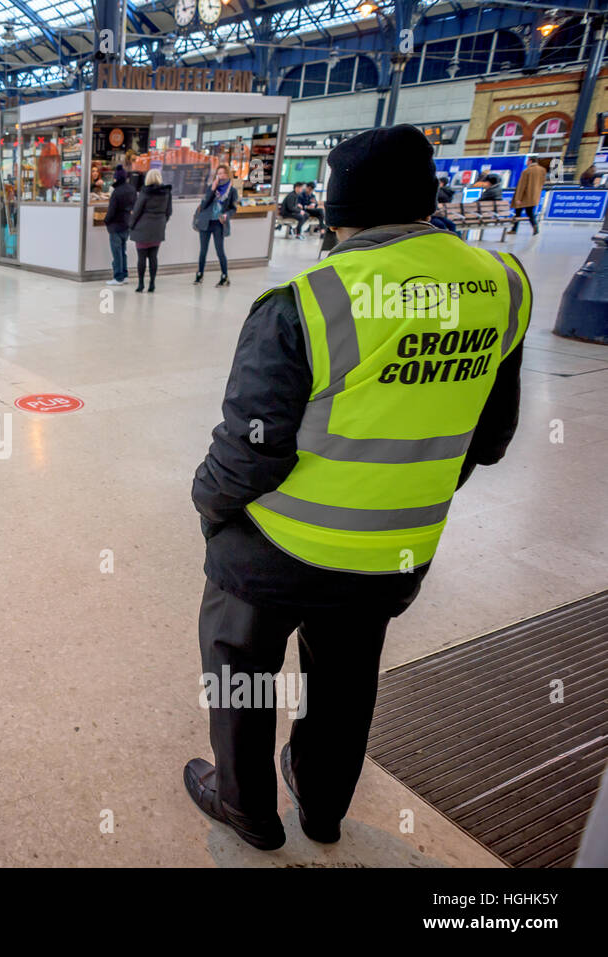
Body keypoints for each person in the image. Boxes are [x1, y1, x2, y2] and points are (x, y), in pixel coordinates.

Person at [185, 125, 530, 851]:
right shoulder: (502, 285)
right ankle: (320, 802)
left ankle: (245, 804)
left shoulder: (309, 300)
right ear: (426, 201)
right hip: (394, 553)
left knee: (240, 665)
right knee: (344, 678)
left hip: (274, 547)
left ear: (337, 215)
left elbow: (251, 450)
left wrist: (209, 507)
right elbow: (490, 438)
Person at [128, 169, 172, 293]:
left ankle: (141, 284)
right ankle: (152, 283)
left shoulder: (145, 192)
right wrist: (162, 222)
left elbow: (137, 211)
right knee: (153, 257)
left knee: (141, 257)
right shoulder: (167, 193)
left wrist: (131, 225)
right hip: (158, 227)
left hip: (142, 227)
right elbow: (169, 212)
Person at [194, 165, 238, 287]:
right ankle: (200, 274)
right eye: (219, 173)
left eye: (223, 173)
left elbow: (233, 209)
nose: (221, 176)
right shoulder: (211, 188)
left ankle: (225, 276)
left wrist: (226, 215)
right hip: (206, 222)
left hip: (219, 223)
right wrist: (212, 190)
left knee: (220, 251)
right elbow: (204, 205)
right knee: (203, 250)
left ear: (228, 175)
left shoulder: (232, 191)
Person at [102, 166, 136, 286]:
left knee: (116, 252)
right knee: (123, 251)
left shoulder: (116, 192)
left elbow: (111, 210)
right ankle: (125, 275)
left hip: (115, 225)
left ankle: (118, 277)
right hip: (126, 223)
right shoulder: (132, 189)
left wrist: (106, 221)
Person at [510, 157, 545, 235]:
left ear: (530, 161)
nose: (526, 162)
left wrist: (518, 198)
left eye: (527, 161)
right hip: (534, 197)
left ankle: (514, 229)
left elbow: (521, 186)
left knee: (518, 213)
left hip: (524, 197)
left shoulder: (527, 171)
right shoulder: (542, 170)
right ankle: (535, 226)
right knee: (530, 213)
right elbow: (542, 183)